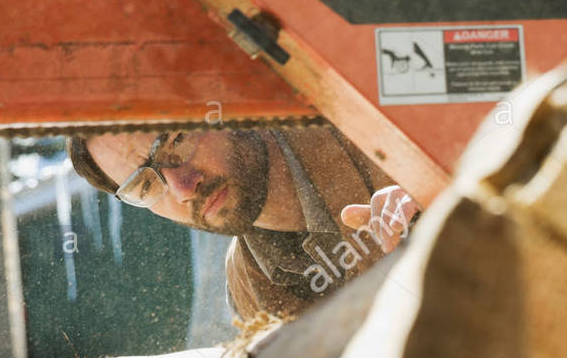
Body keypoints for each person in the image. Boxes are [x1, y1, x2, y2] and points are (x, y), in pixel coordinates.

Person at [67, 124, 420, 322]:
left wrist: (445, 199)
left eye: (176, 140)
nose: (183, 189)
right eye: (146, 185)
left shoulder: (383, 142)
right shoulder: (248, 286)